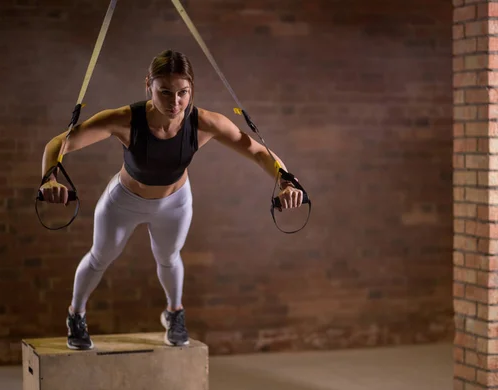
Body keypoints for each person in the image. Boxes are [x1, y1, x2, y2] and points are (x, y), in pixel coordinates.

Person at [39, 50, 305, 350]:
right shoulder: (125, 119)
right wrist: (50, 178)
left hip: (174, 203)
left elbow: (258, 151)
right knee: (101, 257)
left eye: (182, 93)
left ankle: (174, 314)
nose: (174, 102)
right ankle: (76, 314)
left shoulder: (204, 122)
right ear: (148, 86)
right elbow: (59, 143)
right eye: (164, 92)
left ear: (191, 89)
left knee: (169, 258)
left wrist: (286, 181)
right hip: (124, 201)